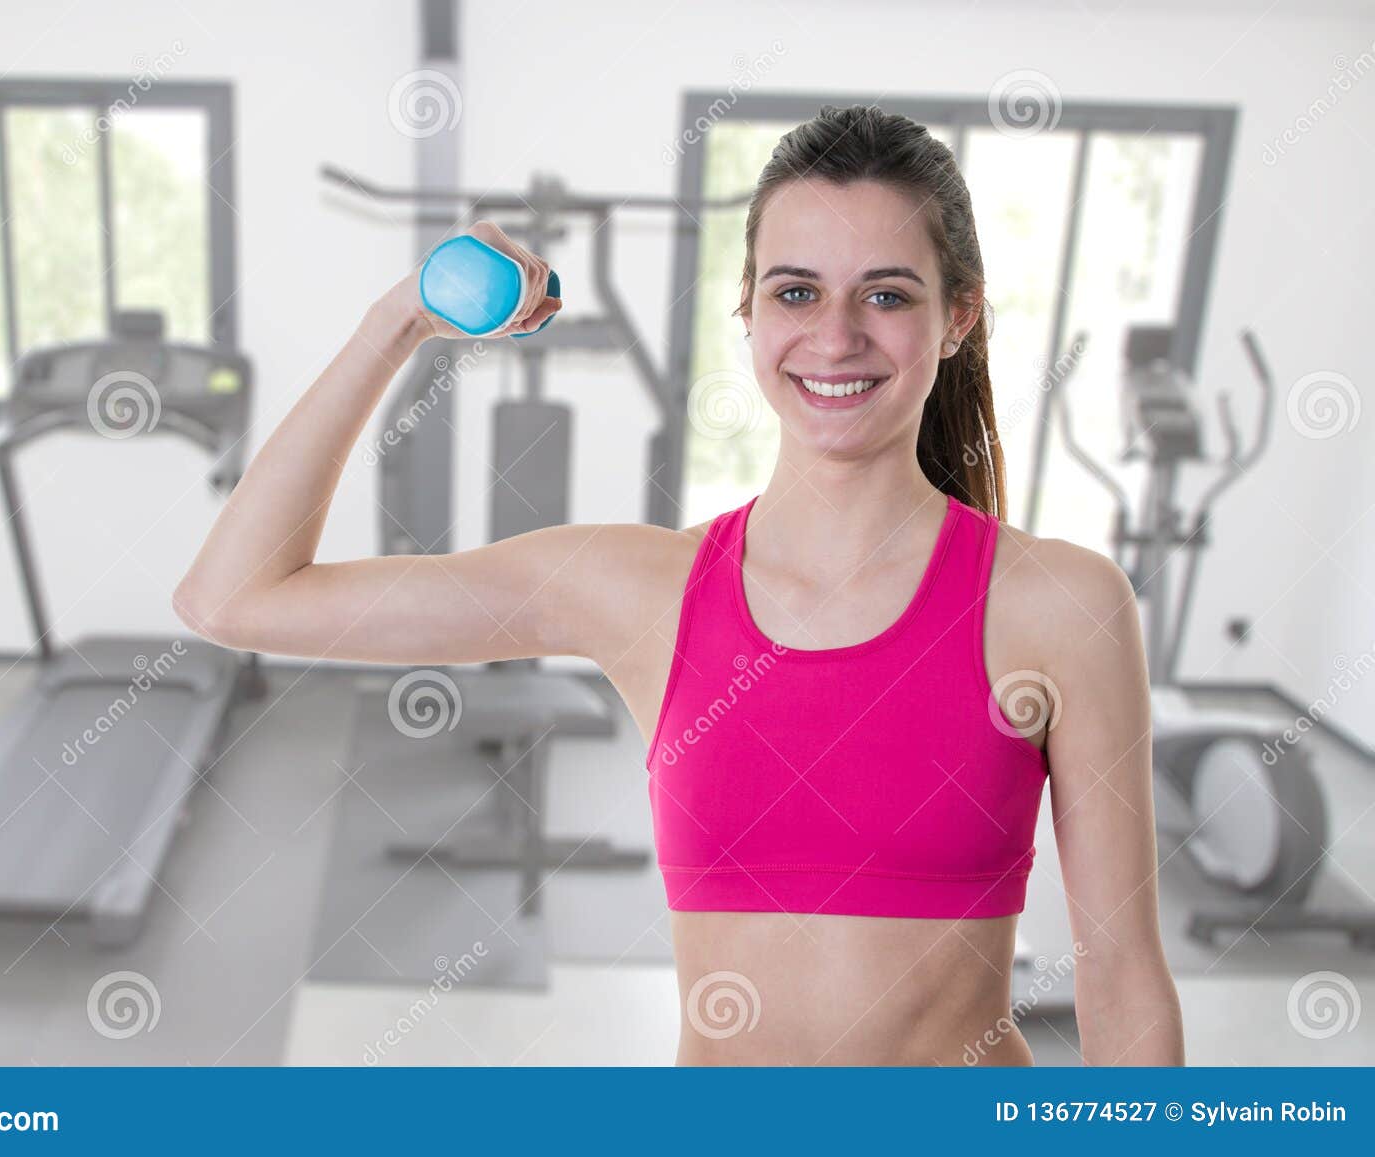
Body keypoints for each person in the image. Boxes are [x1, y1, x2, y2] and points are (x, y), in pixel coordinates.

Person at [174, 104, 1184, 1067]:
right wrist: (396, 324)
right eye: (795, 292)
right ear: (748, 311)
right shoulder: (642, 591)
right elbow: (235, 597)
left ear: (957, 315)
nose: (835, 336)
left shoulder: (1061, 605)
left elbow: (1122, 973)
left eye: (886, 294)